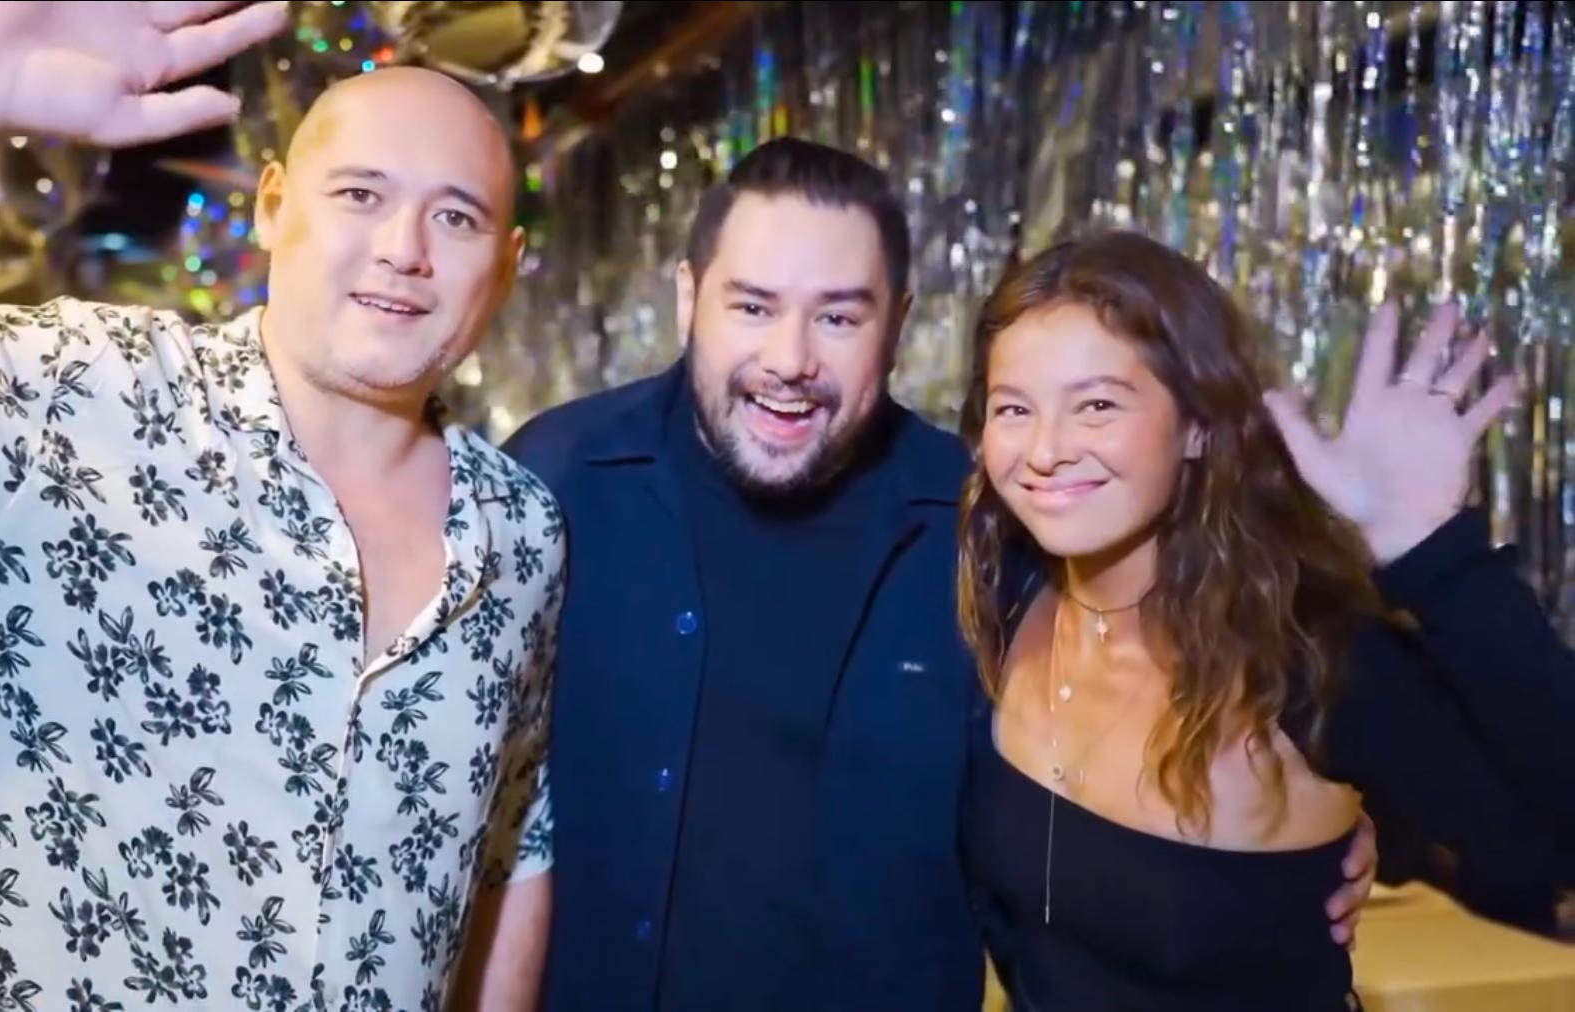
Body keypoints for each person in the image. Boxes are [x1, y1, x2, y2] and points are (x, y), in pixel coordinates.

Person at [0, 4, 557, 1009]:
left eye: (457, 217)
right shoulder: (71, 398)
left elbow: (509, 843)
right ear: (273, 206)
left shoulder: (520, 529)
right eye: (361, 193)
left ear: (507, 262)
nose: (405, 246)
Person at [502, 138, 1375, 1012]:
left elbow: (1121, 732)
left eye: (839, 317)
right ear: (690, 298)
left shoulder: (987, 526)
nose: (791, 357)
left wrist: (1312, 849)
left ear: (898, 323)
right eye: (754, 306)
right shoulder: (555, 479)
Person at [957, 230, 1575, 1011]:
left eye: (1098, 405)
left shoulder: (1296, 659)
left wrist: (1432, 554)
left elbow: (1550, 833)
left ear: (1197, 425)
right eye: (1015, 408)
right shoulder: (1002, 600)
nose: (1045, 449)